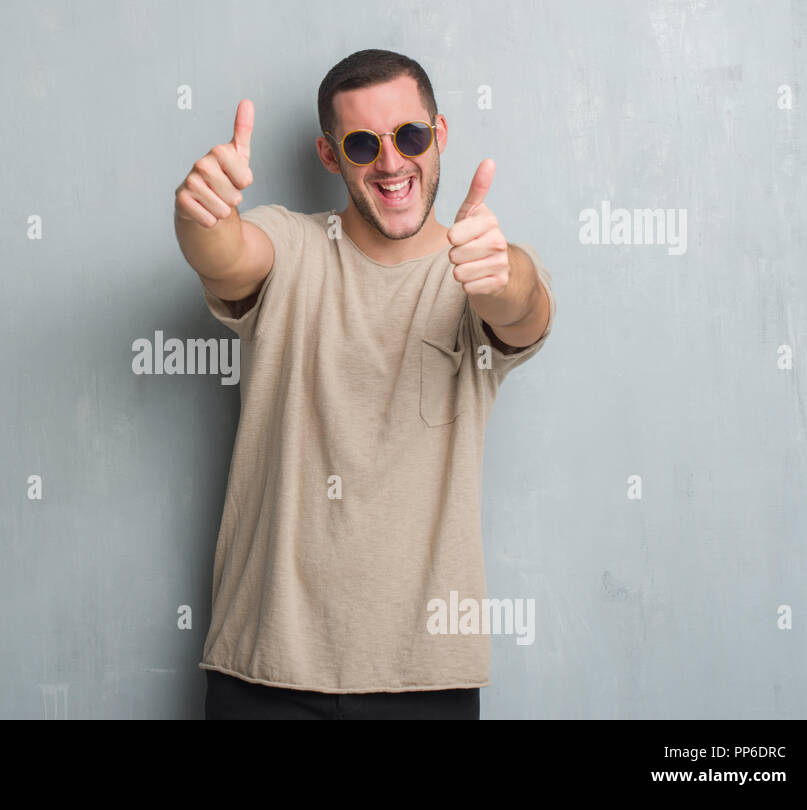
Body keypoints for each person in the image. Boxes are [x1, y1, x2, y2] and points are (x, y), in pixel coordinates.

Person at [173, 49, 557, 720]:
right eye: (362, 144)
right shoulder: (290, 245)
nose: (390, 162)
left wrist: (507, 275)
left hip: (425, 680)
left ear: (439, 136)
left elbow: (521, 308)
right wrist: (199, 218)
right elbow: (229, 255)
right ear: (330, 156)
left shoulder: (478, 269)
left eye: (409, 136)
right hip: (264, 672)